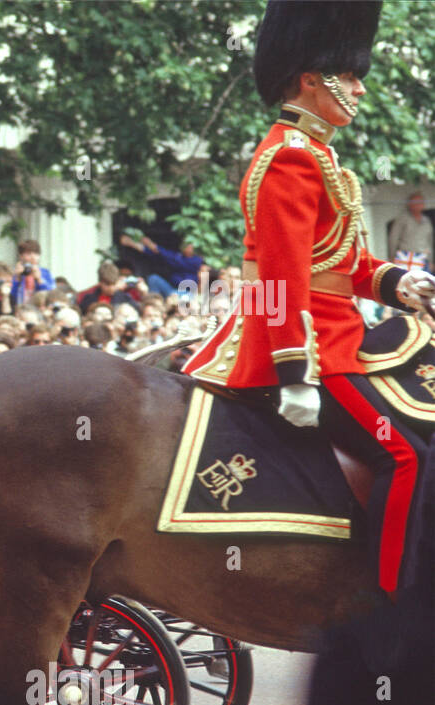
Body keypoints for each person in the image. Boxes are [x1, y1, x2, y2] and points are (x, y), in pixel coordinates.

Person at [184, 0, 435, 597]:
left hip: (340, 338)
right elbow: (279, 279)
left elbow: (337, 262)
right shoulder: (290, 159)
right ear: (310, 80)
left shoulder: (317, 154)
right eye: (350, 77)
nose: (360, 90)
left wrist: (401, 284)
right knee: (407, 459)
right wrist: (296, 374)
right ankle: (391, 605)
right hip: (308, 351)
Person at [388, 191, 432, 268]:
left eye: (420, 202)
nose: (418, 205)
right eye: (415, 202)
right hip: (406, 258)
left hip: (424, 258)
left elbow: (429, 240)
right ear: (409, 204)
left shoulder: (426, 221)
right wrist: (392, 257)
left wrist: (431, 260)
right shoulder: (402, 219)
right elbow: (393, 238)